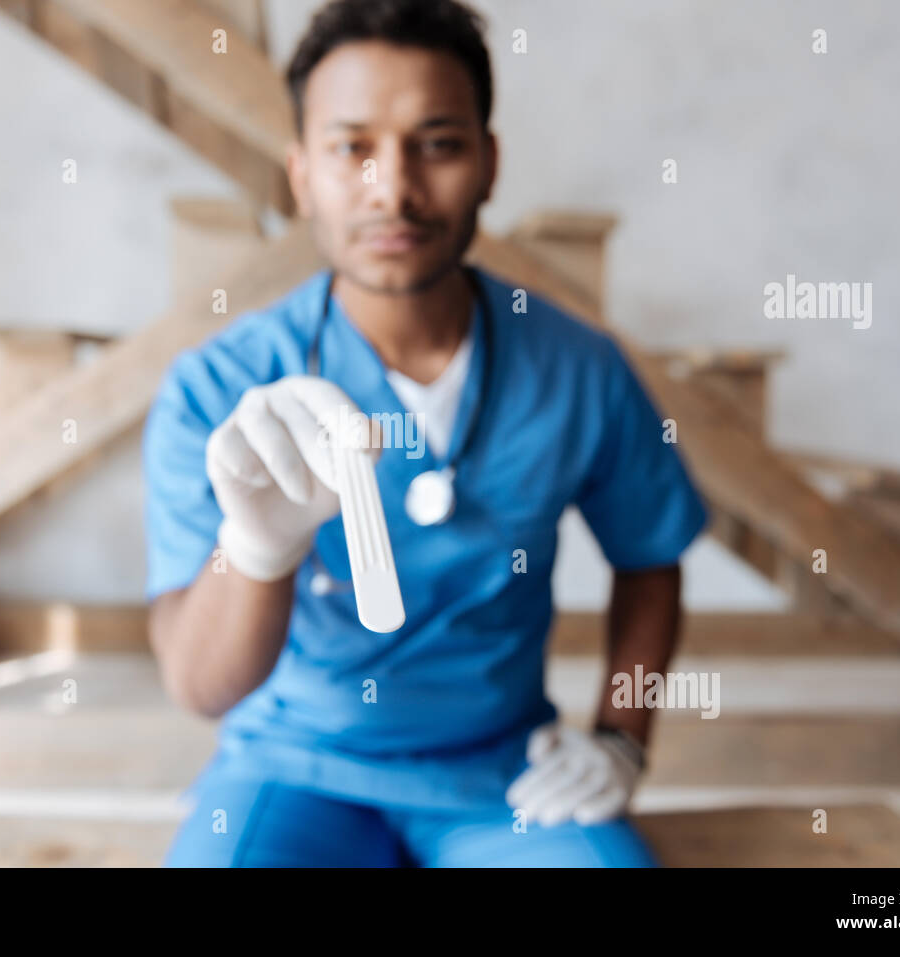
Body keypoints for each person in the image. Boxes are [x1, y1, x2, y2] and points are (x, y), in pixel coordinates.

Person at [143, 0, 709, 867]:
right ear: (300, 174)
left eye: (438, 143)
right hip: (292, 771)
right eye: (352, 147)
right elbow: (199, 683)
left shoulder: (579, 368)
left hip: (502, 777)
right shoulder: (218, 389)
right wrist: (255, 549)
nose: (394, 190)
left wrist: (622, 735)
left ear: (489, 163)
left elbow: (649, 556)